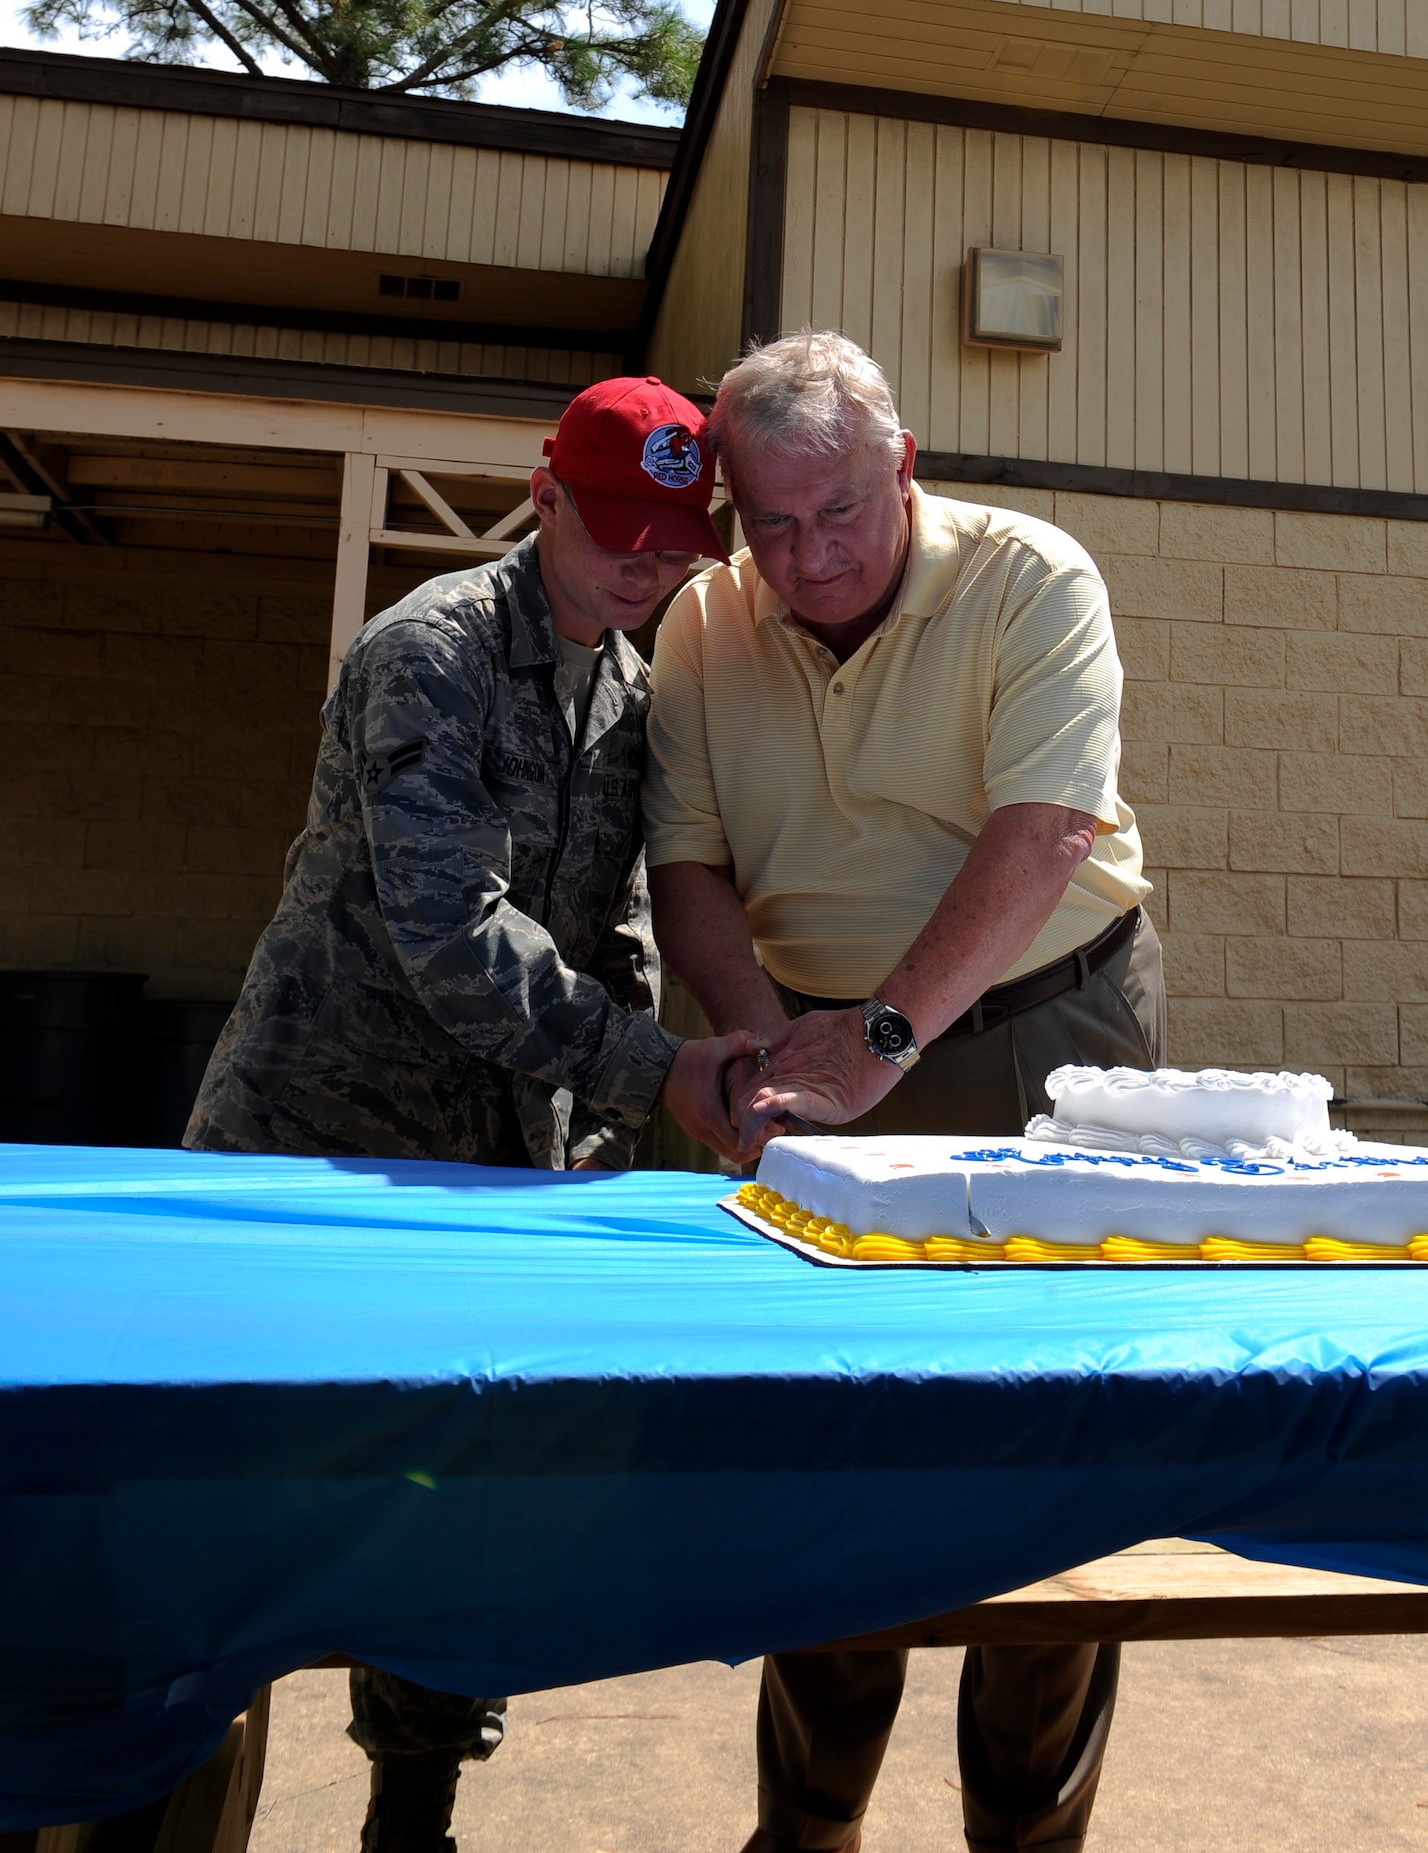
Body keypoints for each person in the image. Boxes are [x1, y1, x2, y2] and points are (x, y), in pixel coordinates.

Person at [186, 374, 756, 1853]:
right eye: (616, 529)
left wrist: (607, 1152)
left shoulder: (628, 689)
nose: (643, 566)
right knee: (232, 1522)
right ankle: (165, 1809)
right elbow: (452, 931)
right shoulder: (427, 650)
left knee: (454, 1522)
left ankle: (411, 1818)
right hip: (312, 1164)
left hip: (490, 1181)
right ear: (543, 495)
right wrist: (654, 1068)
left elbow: (620, 921)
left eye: (671, 541)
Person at [642, 331, 1164, 1853]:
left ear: (908, 465)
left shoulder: (1032, 576)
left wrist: (879, 1040)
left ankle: (1026, 1828)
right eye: (771, 523)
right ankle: (811, 1826)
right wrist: (754, 1049)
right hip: (812, 1047)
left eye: (843, 511)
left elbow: (1050, 826)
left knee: (1055, 1440)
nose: (808, 556)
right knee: (834, 1436)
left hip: (1041, 1024)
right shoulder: (699, 625)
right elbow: (689, 862)